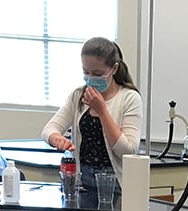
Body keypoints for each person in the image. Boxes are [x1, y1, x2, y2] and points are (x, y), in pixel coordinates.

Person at [42, 37, 142, 190]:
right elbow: (49, 129)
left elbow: (128, 151)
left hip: (115, 183)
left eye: (97, 73)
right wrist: (56, 138)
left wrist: (102, 111)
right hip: (81, 180)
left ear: (114, 69)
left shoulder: (129, 98)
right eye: (86, 72)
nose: (90, 78)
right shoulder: (78, 96)